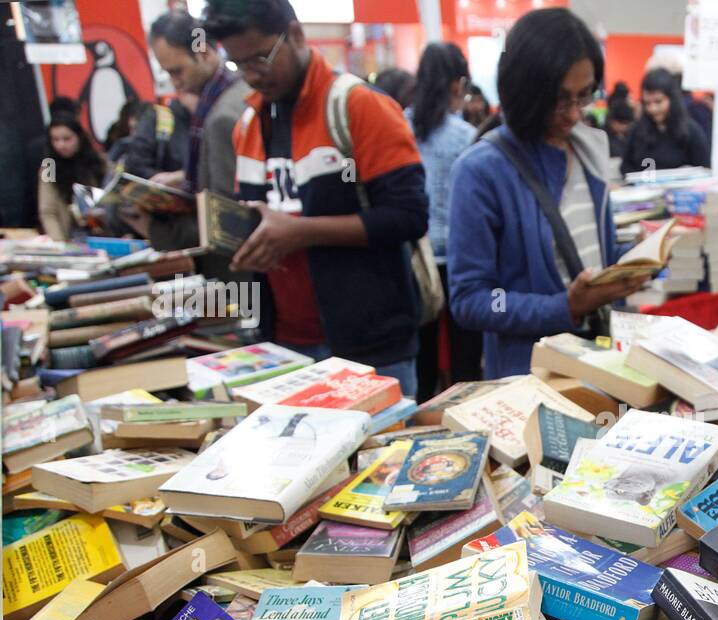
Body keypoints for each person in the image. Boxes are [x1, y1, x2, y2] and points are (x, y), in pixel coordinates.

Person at [204, 0, 428, 398]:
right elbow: (259, 218)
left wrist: (299, 232)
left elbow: (408, 217)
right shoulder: (249, 125)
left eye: (260, 57)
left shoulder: (359, 106)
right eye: (240, 64)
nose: (253, 75)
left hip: (370, 344)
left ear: (295, 35)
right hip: (286, 345)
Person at [446, 8, 646, 378]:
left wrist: (633, 262)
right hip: (532, 377)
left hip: (602, 363)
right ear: (525, 91)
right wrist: (564, 307)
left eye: (583, 96)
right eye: (560, 99)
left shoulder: (588, 149)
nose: (572, 113)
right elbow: (471, 300)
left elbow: (588, 253)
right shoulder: (481, 170)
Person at [146, 10, 251, 280]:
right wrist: (181, 178)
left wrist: (155, 226)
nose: (175, 82)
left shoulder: (221, 115)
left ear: (203, 51)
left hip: (236, 273)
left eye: (177, 71)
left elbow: (228, 222)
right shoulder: (228, 96)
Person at [409, 41, 477, 395]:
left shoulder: (400, 126)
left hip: (414, 258)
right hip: (459, 259)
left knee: (421, 354)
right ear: (457, 84)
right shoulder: (466, 137)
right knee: (466, 355)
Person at [621, 68, 711, 177]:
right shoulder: (637, 130)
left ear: (672, 99)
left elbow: (704, 168)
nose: (652, 109)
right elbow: (625, 166)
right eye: (647, 103)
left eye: (658, 102)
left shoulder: (691, 130)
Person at [38, 112, 105, 240]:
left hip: (101, 233)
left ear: (79, 137)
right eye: (55, 140)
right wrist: (59, 243)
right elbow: (47, 211)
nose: (60, 145)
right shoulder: (49, 167)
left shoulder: (98, 162)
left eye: (67, 139)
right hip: (67, 235)